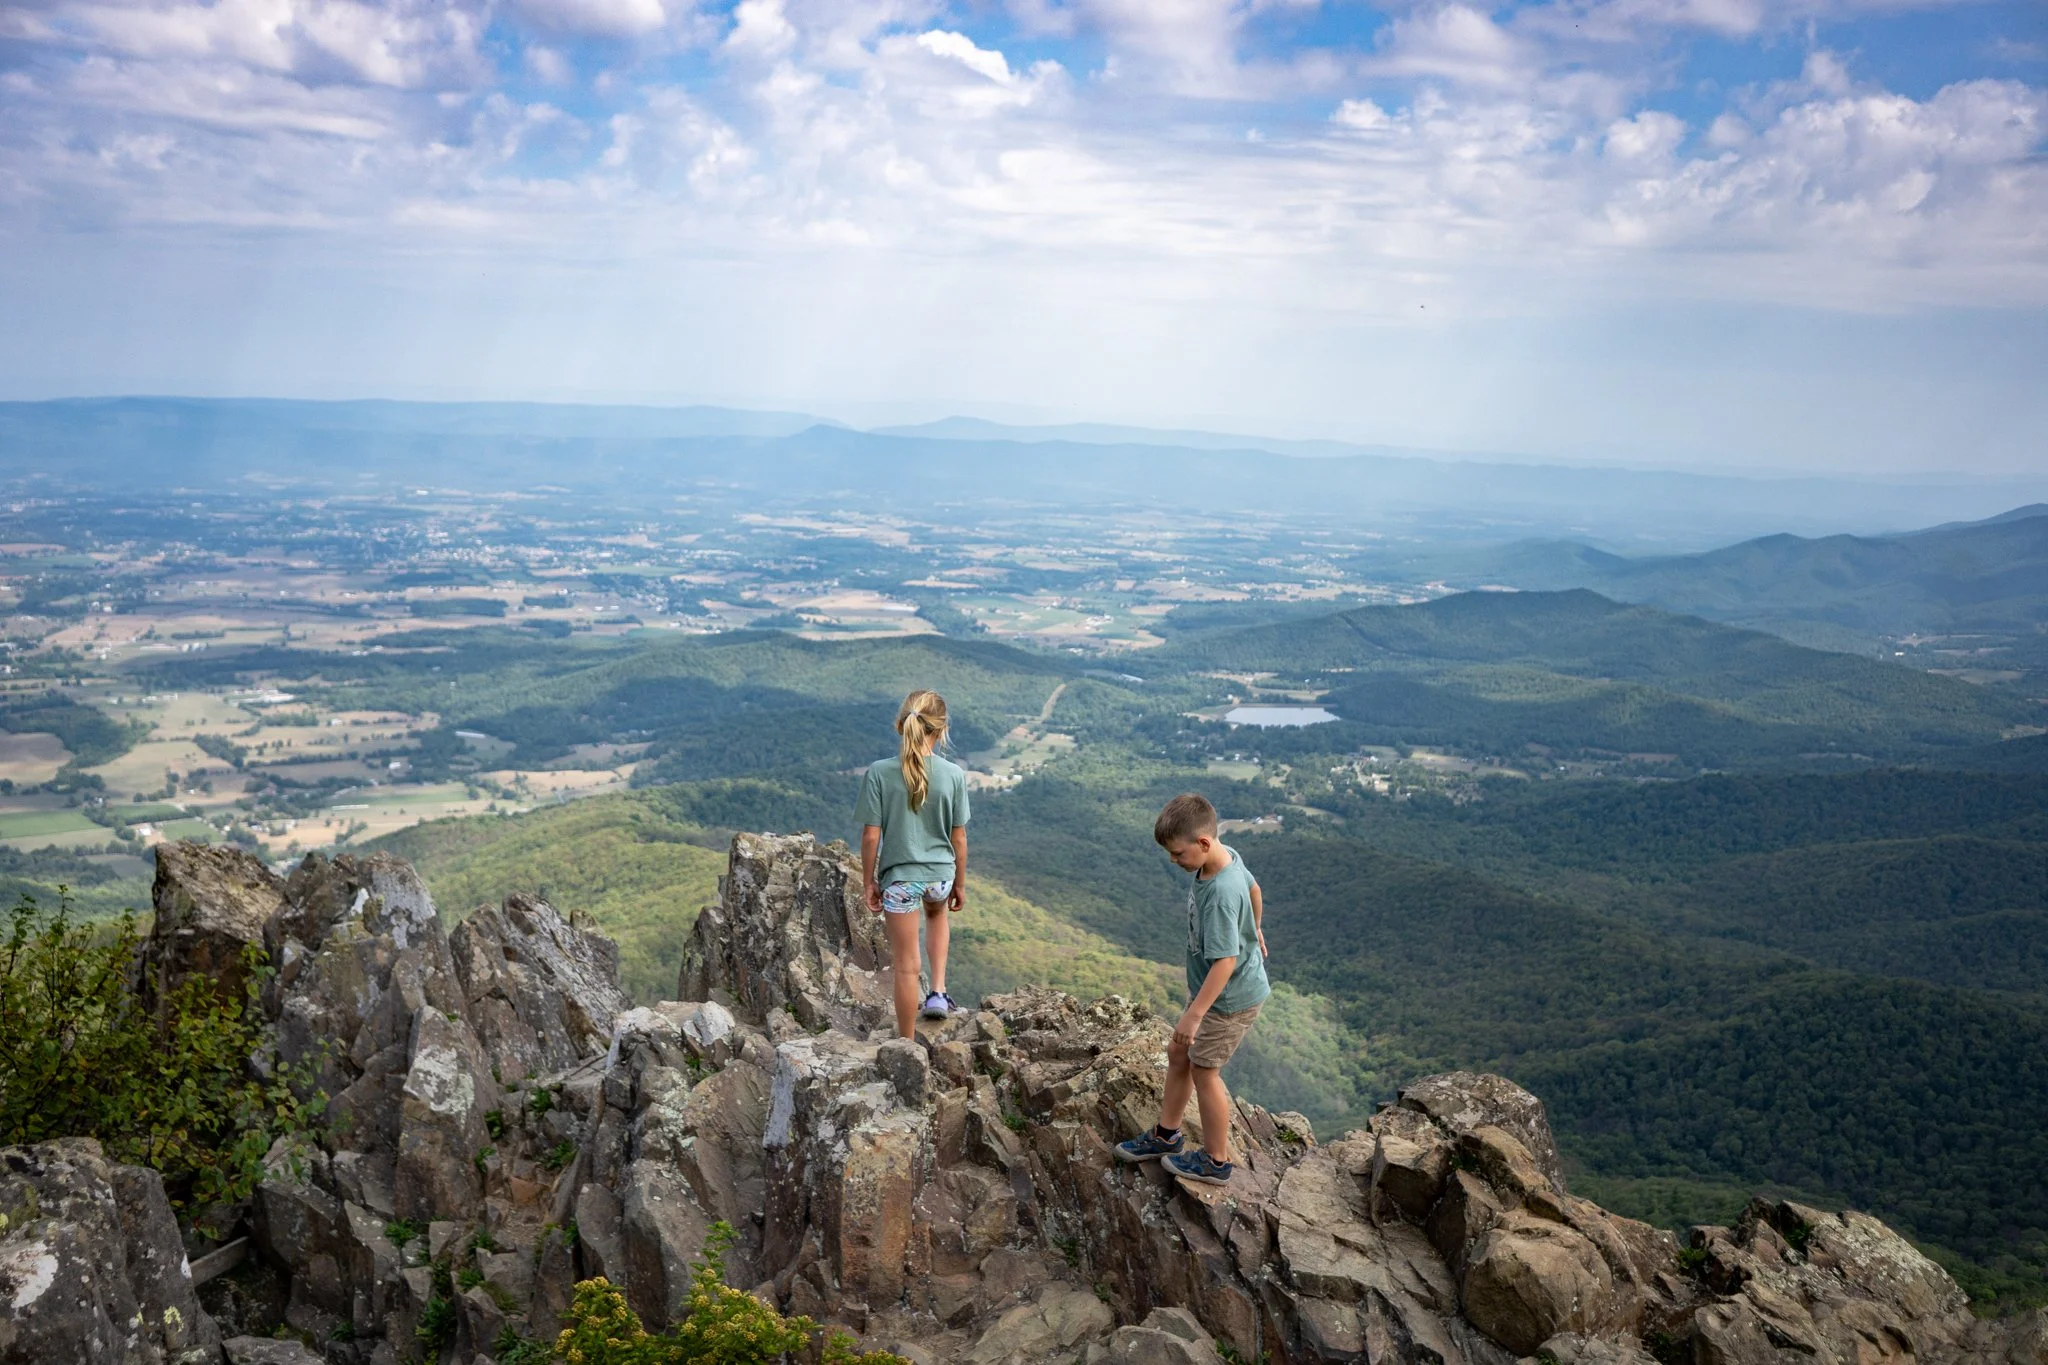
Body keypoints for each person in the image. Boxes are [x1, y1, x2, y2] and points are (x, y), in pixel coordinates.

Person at [1114, 792, 1270, 1186]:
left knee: (1205, 1070)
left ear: (1203, 844)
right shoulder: (1225, 854)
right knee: (1178, 1052)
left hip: (1228, 1000)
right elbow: (1255, 889)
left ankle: (1216, 1161)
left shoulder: (1219, 893)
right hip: (1214, 991)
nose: (1174, 860)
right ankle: (1167, 1135)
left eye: (1178, 853)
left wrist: (1195, 1014)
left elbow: (1226, 962)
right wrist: (1255, 928)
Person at [856, 689, 971, 1037]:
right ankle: (937, 992)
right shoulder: (953, 775)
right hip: (940, 876)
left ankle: (906, 1042)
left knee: (906, 967)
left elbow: (871, 836)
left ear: (900, 725)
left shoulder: (879, 773)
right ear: (940, 731)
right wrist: (960, 883)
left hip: (900, 880)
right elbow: (960, 838)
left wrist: (868, 881)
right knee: (937, 915)